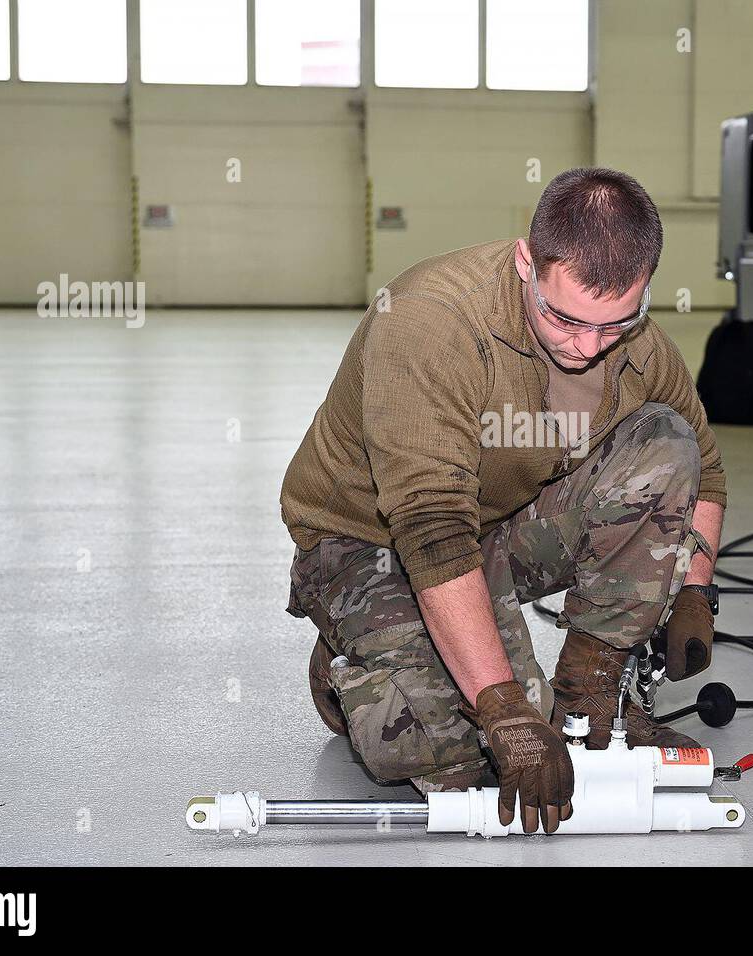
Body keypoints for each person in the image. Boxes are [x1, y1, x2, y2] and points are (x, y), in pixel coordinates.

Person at [280, 167, 726, 833]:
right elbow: (429, 528)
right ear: (527, 261)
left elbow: (706, 469)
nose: (587, 346)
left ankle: (592, 692)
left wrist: (694, 590)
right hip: (368, 545)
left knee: (664, 441)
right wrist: (504, 711)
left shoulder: (634, 343)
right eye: (564, 317)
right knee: (458, 753)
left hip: (494, 529)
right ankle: (348, 663)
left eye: (615, 322)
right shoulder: (431, 324)